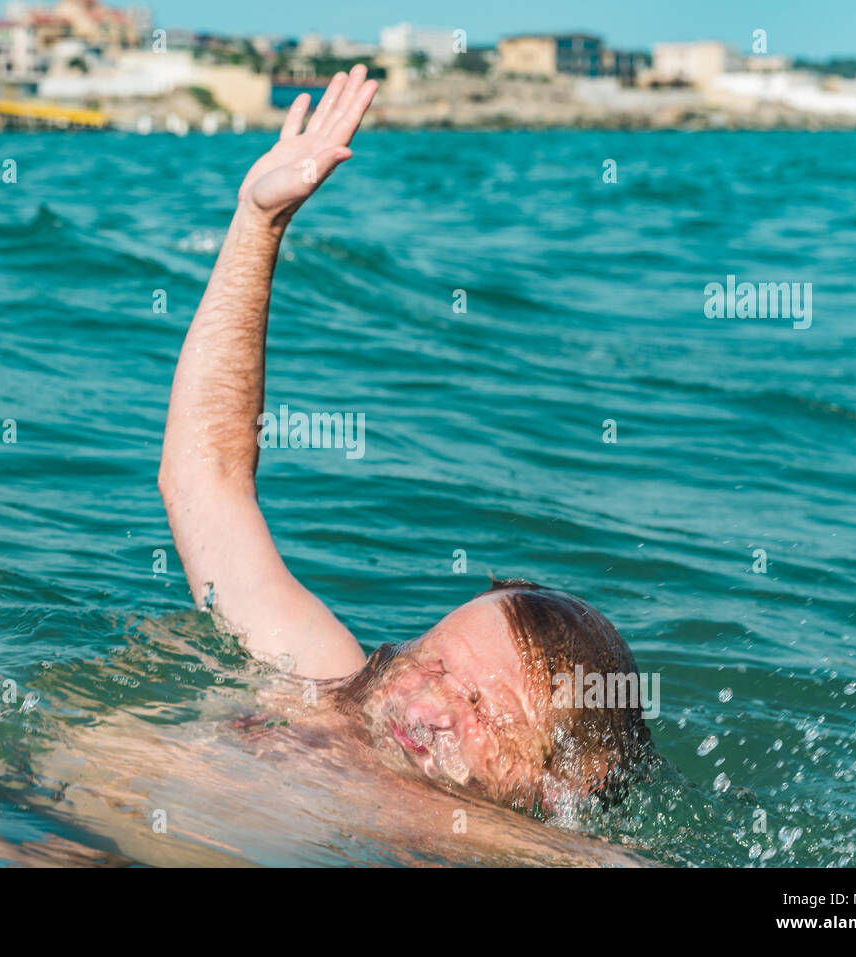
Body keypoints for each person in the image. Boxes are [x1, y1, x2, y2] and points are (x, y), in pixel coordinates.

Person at [159, 65, 652, 817]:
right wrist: (257, 225)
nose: (426, 703)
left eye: (486, 715)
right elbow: (205, 478)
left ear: (562, 786)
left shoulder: (474, 837)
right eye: (432, 661)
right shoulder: (321, 680)